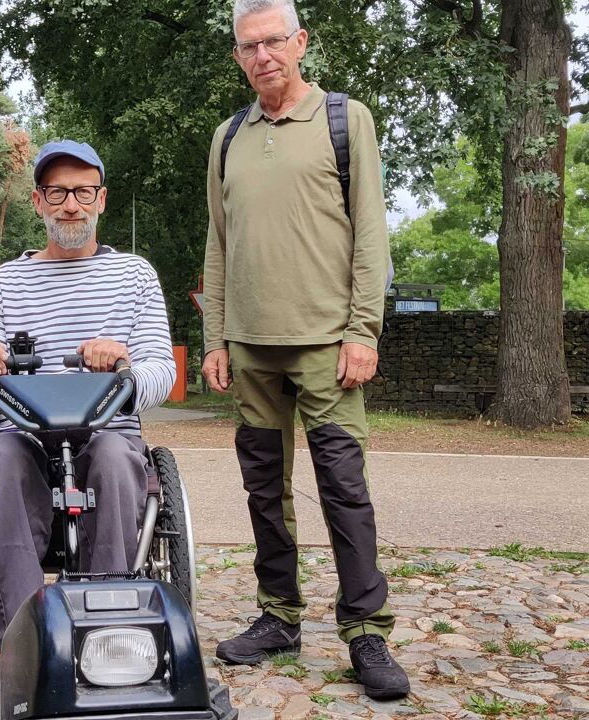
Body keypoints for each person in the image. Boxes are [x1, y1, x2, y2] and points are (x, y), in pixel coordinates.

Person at [201, 0, 408, 700]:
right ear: (238, 56)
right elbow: (218, 243)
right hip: (251, 349)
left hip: (327, 345)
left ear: (300, 42)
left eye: (273, 42)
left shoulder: (345, 120)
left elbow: (370, 233)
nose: (262, 56)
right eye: (248, 46)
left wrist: (363, 331)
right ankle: (279, 617)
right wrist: (215, 337)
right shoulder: (228, 136)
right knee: (264, 492)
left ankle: (366, 630)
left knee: (344, 488)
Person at [0, 140, 176, 631]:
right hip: (18, 434)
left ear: (102, 199)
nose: (71, 205)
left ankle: (108, 624)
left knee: (115, 457)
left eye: (83, 192)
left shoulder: (135, 275)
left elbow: (162, 370)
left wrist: (124, 366)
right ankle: (25, 634)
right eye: (57, 193)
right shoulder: (1, 283)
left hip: (107, 430)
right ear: (38, 201)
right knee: (3, 457)